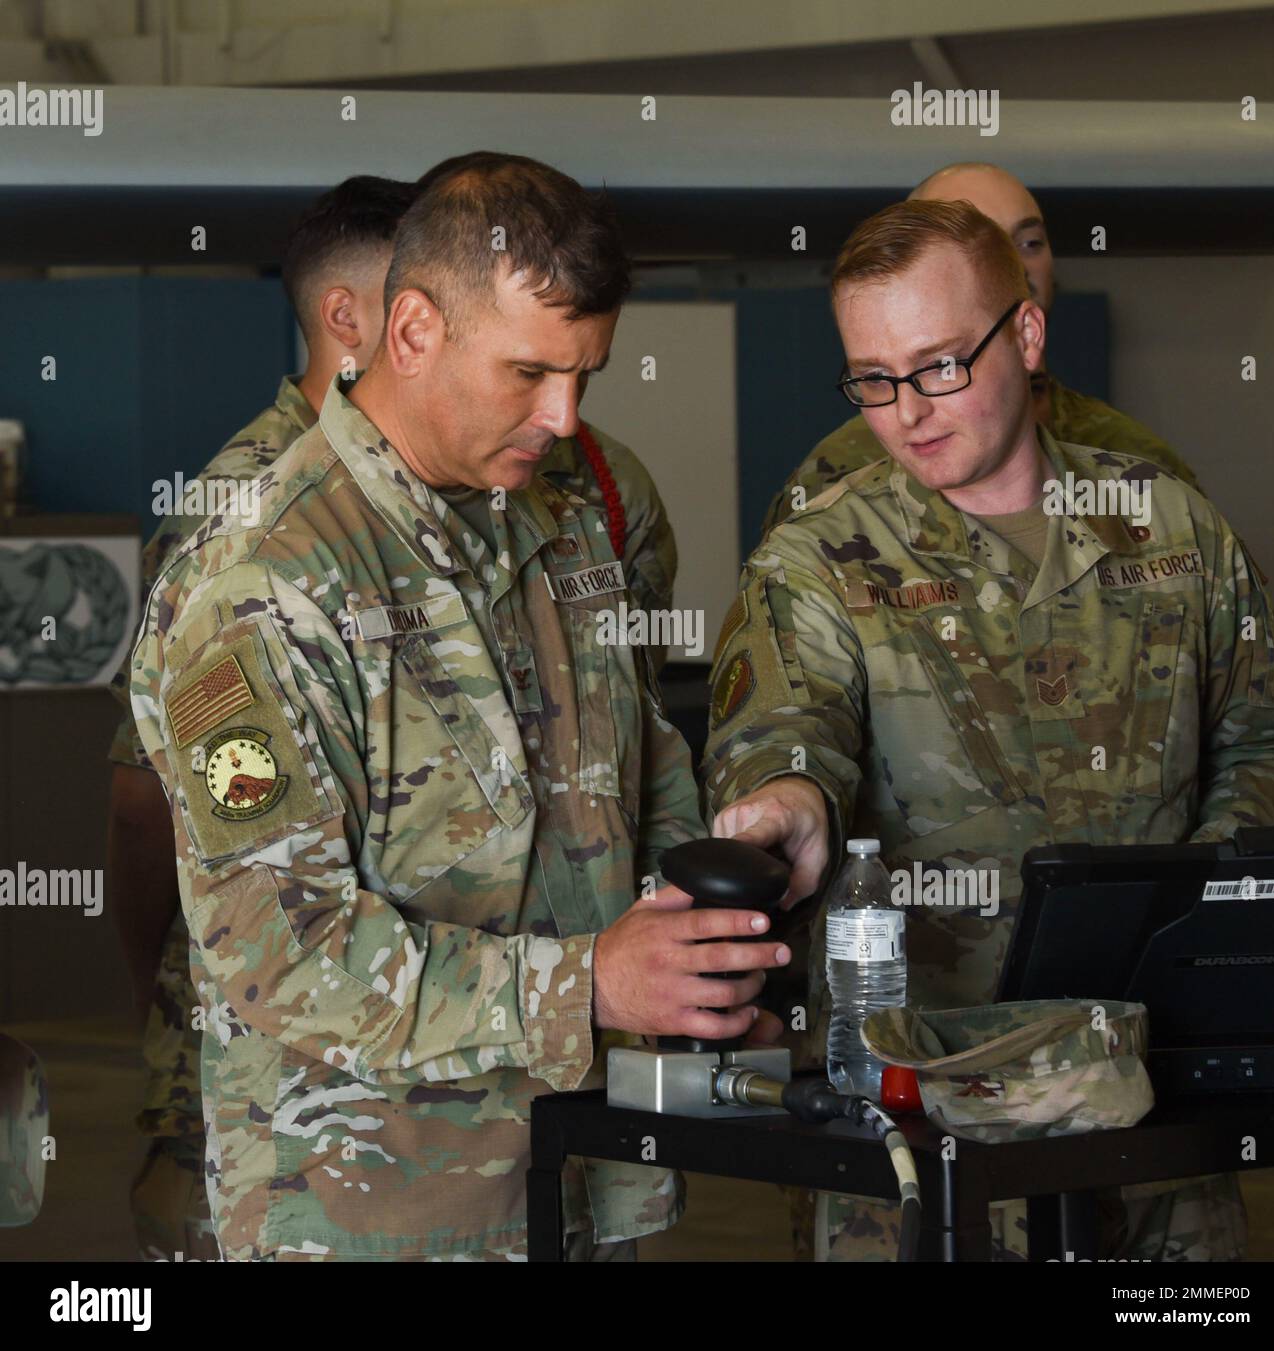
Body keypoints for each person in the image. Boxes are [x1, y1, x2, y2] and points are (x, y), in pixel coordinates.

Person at [127, 152, 788, 1261]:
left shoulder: (558, 514)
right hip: (374, 1210)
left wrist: (706, 957)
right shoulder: (261, 579)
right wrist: (590, 983)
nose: (566, 417)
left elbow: (640, 770)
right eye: (529, 372)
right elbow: (281, 950)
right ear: (414, 331)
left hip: (586, 1178)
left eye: (587, 374)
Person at [702, 198, 1274, 1261]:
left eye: (937, 367)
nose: (906, 413)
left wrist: (1199, 901)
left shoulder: (1170, 528)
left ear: (1023, 334)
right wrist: (784, 797)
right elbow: (790, 728)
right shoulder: (821, 559)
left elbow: (1266, 740)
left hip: (1150, 1096)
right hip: (927, 1116)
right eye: (872, 380)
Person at [107, 174, 416, 1262]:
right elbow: (145, 805)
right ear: (349, 319)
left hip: (432, 1078)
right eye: (422, 303)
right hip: (266, 1072)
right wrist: (169, 994)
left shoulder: (464, 496)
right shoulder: (244, 516)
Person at [761, 161, 1201, 537]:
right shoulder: (837, 472)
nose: (1010, 260)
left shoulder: (1138, 460)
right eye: (975, 239)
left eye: (1029, 242)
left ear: (1029, 332)